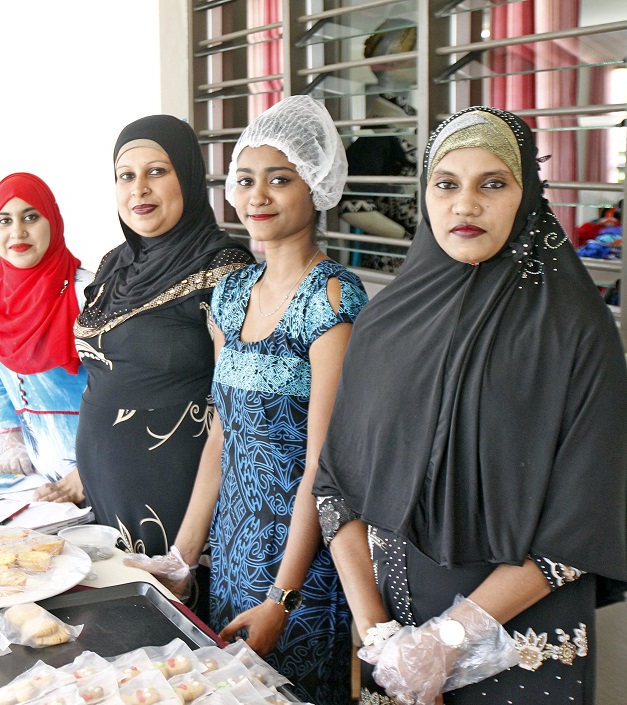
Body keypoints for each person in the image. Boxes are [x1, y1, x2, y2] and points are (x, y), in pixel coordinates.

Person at [313, 107, 627, 705]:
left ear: (527, 196)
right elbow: (337, 487)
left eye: (493, 183)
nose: (465, 204)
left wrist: (445, 642)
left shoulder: (573, 329)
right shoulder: (386, 324)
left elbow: (584, 519)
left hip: (517, 648)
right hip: (392, 640)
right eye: (447, 183)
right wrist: (381, 636)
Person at [151, 96, 366, 705]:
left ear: (317, 187)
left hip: (300, 561)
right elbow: (221, 436)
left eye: (280, 179)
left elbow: (322, 467)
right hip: (231, 547)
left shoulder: (332, 301)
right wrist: (183, 557)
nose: (258, 196)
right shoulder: (230, 294)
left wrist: (282, 598)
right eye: (245, 180)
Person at [73, 115, 255, 558]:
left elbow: (235, 415)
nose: (139, 189)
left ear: (189, 178)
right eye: (126, 176)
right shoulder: (114, 264)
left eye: (157, 171)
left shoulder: (223, 267)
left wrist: (186, 552)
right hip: (103, 495)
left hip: (177, 500)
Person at [0, 172, 91, 503]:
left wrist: (86, 474)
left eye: (31, 216)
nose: (17, 232)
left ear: (52, 221)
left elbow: (123, 394)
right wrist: (10, 437)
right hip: (38, 482)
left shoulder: (89, 294)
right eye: (5, 220)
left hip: (97, 476)